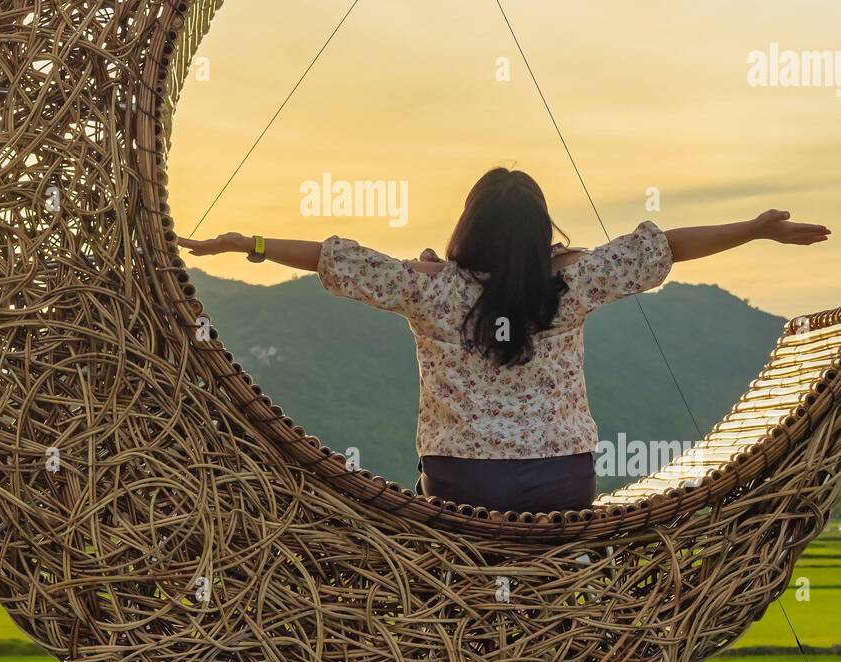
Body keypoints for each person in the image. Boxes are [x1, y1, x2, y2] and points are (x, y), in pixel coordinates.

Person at [177, 168, 830, 514]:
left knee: (434, 507)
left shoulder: (428, 288)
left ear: (470, 223)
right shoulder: (572, 282)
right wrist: (754, 228)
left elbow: (334, 257)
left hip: (464, 484)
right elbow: (667, 246)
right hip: (562, 480)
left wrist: (249, 245)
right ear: (537, 229)